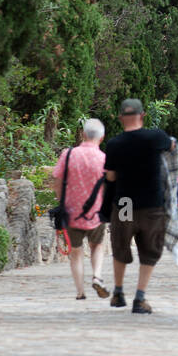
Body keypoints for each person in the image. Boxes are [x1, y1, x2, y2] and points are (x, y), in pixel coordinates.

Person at [101, 98, 175, 314]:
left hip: (125, 203)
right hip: (152, 205)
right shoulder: (155, 137)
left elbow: (111, 177)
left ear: (120, 118)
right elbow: (171, 145)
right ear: (142, 116)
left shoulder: (114, 144)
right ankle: (140, 298)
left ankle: (118, 292)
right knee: (150, 250)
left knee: (120, 245)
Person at [51, 119, 108, 300]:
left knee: (76, 252)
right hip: (96, 212)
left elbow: (57, 181)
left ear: (83, 134)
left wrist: (62, 202)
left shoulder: (68, 155)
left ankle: (80, 292)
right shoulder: (104, 159)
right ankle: (97, 276)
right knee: (97, 246)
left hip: (71, 212)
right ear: (102, 138)